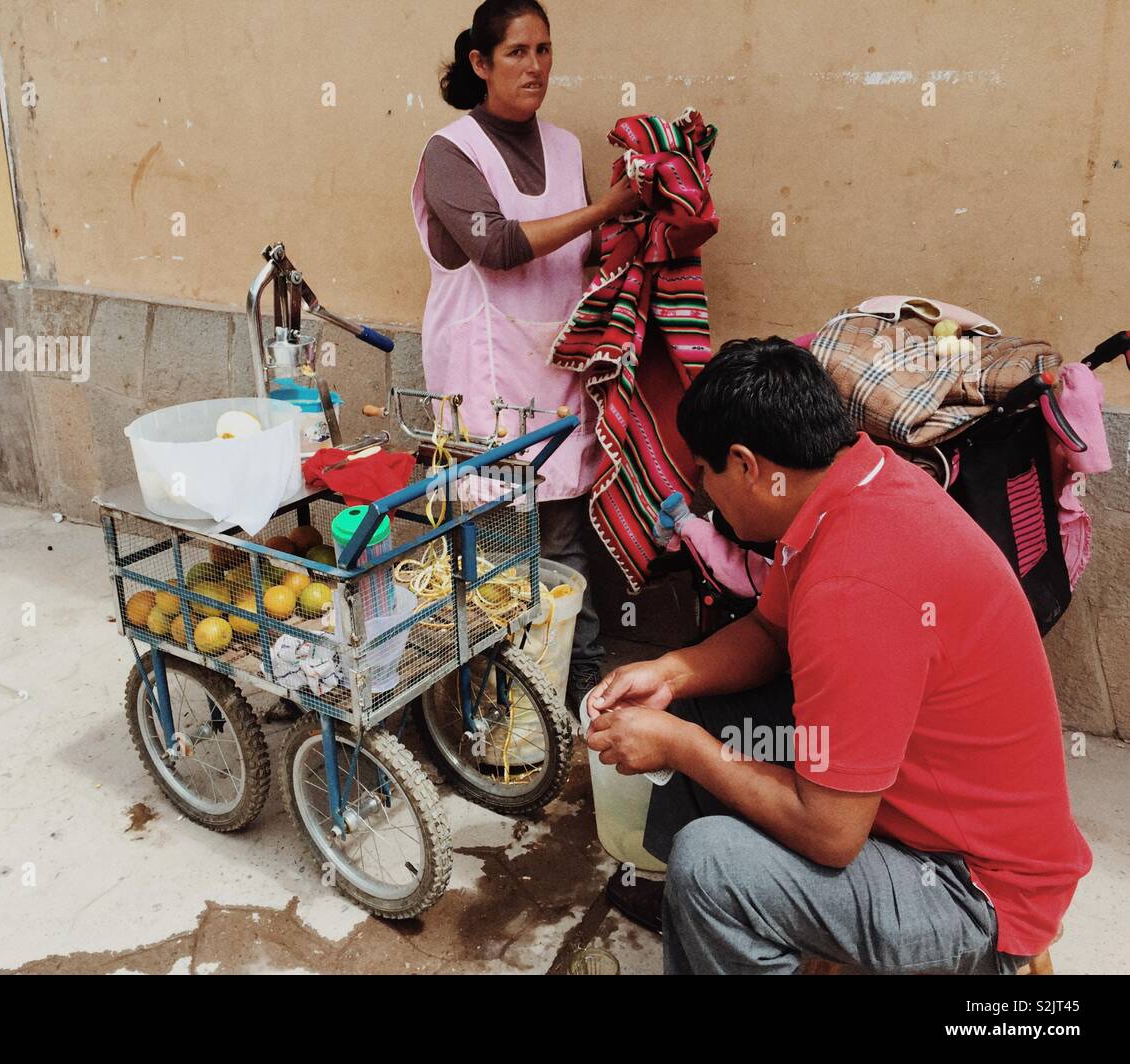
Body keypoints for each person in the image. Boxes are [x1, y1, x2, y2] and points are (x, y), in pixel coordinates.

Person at [586, 336, 1092, 975]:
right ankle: (732, 924)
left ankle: (731, 918)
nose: (705, 496)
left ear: (746, 466)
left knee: (713, 866)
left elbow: (829, 833)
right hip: (931, 817)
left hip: (972, 895)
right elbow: (770, 637)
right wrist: (670, 673)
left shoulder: (855, 586)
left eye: (705, 474)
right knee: (696, 698)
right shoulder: (855, 482)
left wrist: (681, 746)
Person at [411, 0, 642, 710]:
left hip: (554, 376)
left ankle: (576, 697)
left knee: (564, 546)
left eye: (544, 49)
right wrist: (608, 207)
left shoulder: (568, 149)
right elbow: (500, 246)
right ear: (480, 64)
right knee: (495, 553)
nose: (535, 66)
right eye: (516, 52)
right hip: (481, 382)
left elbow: (577, 252)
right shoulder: (451, 152)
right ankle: (495, 703)